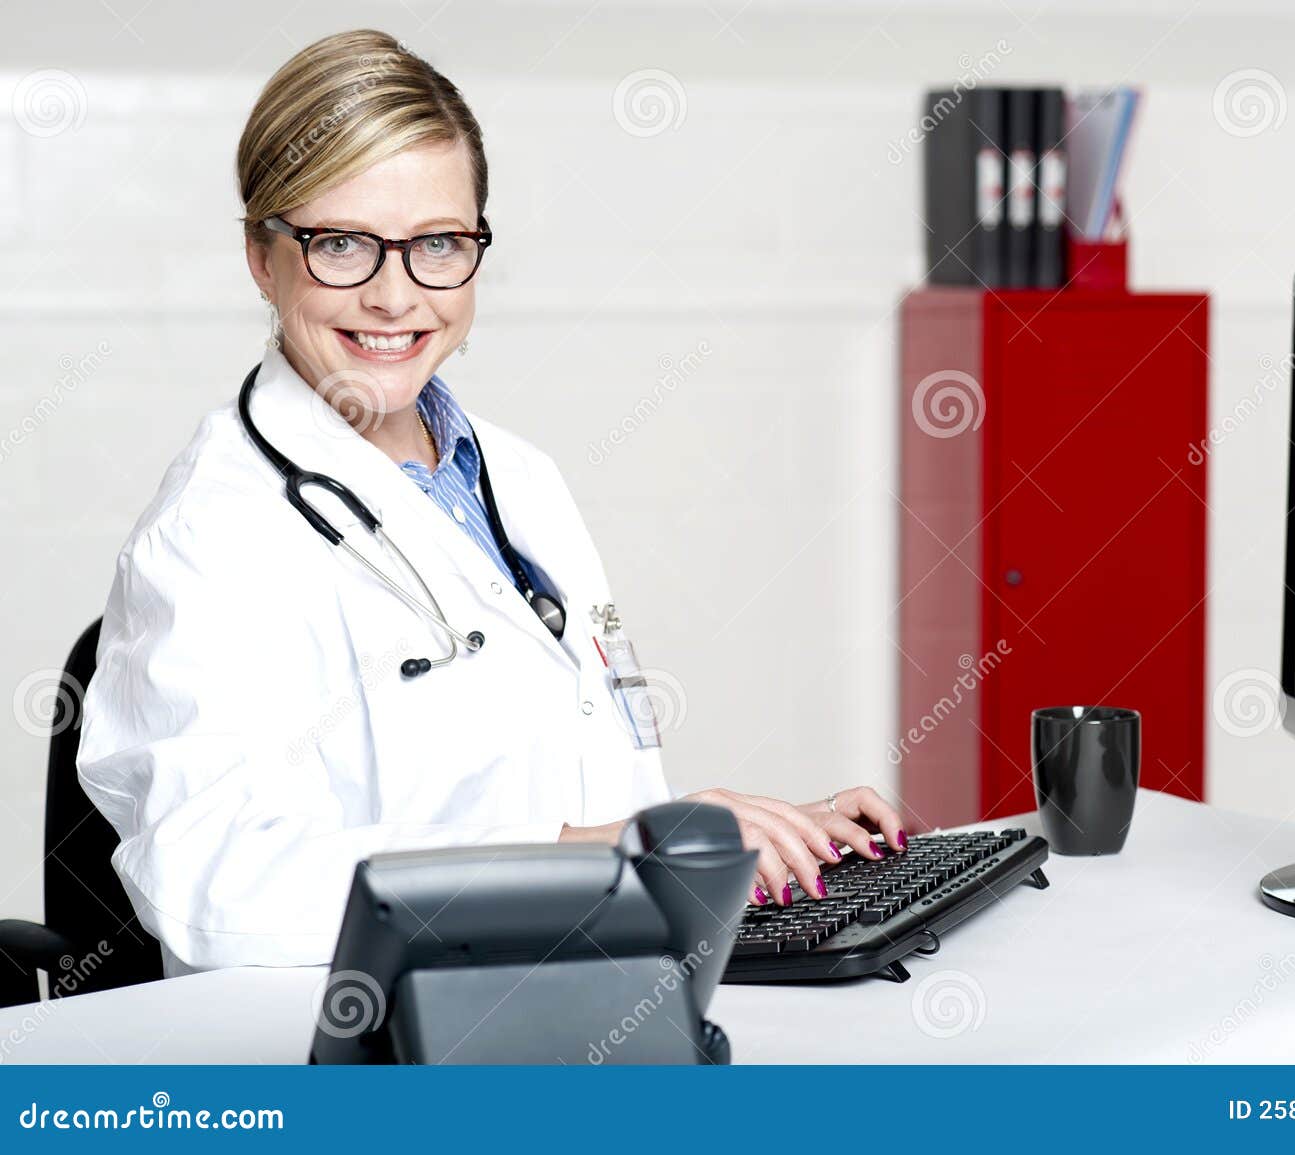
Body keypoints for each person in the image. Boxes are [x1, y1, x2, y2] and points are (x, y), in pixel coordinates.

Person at [76, 28, 905, 976]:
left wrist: (743, 850)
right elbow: (215, 888)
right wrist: (596, 854)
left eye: (438, 243)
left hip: (588, 1002)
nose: (396, 296)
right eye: (341, 243)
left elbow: (607, 795)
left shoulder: (517, 479)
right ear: (263, 259)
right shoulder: (211, 535)